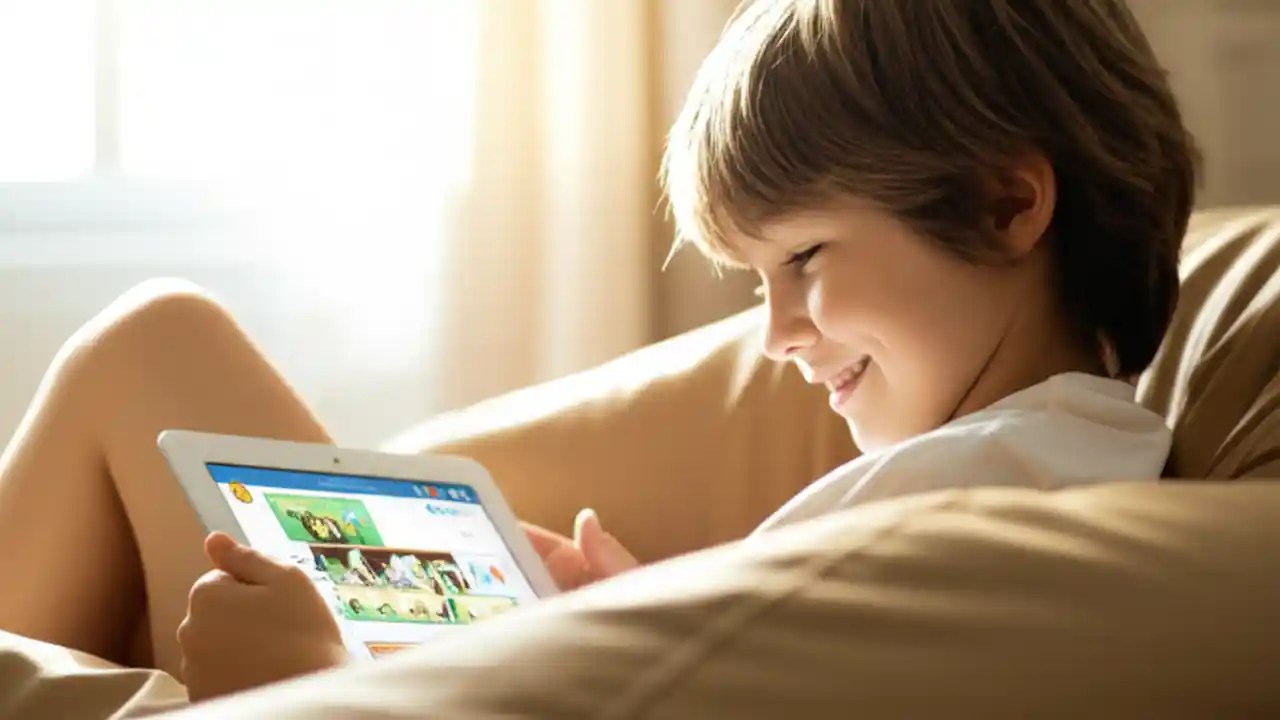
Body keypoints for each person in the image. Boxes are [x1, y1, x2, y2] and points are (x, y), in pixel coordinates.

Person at [0, 0, 1196, 705]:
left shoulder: (994, 495)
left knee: (156, 346)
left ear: (1003, 205)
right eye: (757, 282)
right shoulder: (1040, 460)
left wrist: (317, 687)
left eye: (807, 260)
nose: (774, 335)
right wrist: (632, 614)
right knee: (157, 358)